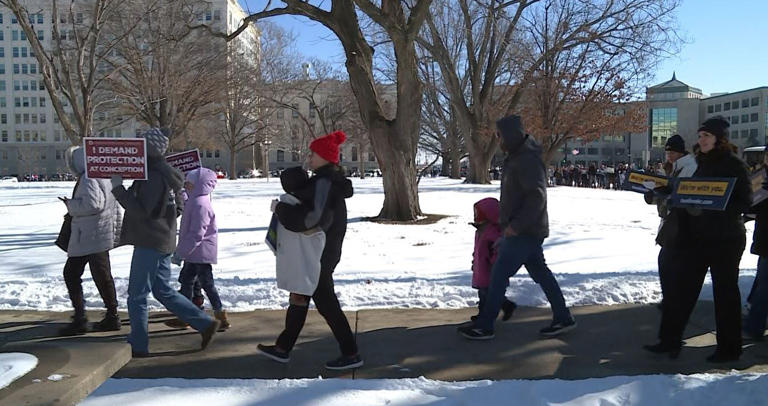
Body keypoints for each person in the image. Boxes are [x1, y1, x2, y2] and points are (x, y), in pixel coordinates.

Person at [458, 115, 575, 340]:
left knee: (498, 276)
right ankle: (563, 317)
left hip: (523, 232)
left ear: (509, 135)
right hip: (525, 231)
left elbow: (537, 198)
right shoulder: (518, 157)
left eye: (499, 135)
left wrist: (514, 227)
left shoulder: (527, 160)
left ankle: (485, 325)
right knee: (542, 275)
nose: (497, 139)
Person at [644, 116, 751, 362]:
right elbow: (688, 193)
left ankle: (729, 348)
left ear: (719, 139)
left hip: (727, 240)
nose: (701, 139)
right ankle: (668, 341)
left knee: (725, 294)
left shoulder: (734, 164)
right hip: (699, 238)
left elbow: (745, 202)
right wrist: (666, 193)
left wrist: (716, 206)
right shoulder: (700, 163)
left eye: (706, 136)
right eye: (700, 135)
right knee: (682, 289)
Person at [257, 130, 363, 370]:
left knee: (324, 302)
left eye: (314, 153)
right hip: (317, 248)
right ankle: (283, 348)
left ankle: (351, 353)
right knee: (299, 294)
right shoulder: (322, 181)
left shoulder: (325, 183)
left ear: (326, 156)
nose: (310, 157)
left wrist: (281, 211)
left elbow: (311, 219)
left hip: (320, 251)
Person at [111, 128, 219, 357]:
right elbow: (178, 207)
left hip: (150, 241)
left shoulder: (153, 176)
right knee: (162, 290)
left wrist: (119, 189)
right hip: (163, 239)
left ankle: (139, 345)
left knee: (137, 295)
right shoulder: (167, 173)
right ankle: (204, 323)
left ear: (148, 149)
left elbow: (143, 211)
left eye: (140, 145)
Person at [58, 146, 122, 336]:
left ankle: (82, 318)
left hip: (88, 234)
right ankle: (110, 315)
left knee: (72, 274)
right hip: (98, 233)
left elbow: (93, 204)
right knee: (101, 276)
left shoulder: (88, 177)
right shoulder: (104, 175)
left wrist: (70, 205)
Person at [165, 167, 230, 331]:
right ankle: (187, 315)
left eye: (189, 184)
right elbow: (188, 202)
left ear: (200, 185)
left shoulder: (201, 205)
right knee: (186, 282)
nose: (186, 186)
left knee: (207, 284)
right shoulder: (196, 201)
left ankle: (220, 316)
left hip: (200, 253)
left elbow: (196, 234)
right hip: (193, 253)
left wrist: (181, 253)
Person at [644, 134, 697, 309]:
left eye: (672, 151)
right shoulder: (672, 168)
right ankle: (672, 299)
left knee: (669, 262)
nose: (669, 155)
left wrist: (666, 192)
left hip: (681, 223)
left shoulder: (689, 167)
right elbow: (666, 194)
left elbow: (684, 194)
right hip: (670, 221)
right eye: (667, 152)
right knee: (668, 263)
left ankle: (674, 300)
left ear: (681, 152)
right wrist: (653, 195)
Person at [469, 197, 517, 322]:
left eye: (478, 213)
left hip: (489, 269)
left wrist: (494, 264)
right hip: (481, 267)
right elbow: (478, 249)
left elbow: (497, 250)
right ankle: (483, 313)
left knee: (490, 293)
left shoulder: (493, 232)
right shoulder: (480, 229)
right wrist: (475, 261)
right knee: (483, 293)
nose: (476, 216)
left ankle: (505, 307)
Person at [744, 149, 768, 341]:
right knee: (763, 283)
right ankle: (754, 325)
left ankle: (755, 323)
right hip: (766, 240)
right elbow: (749, 206)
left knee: (763, 284)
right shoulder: (760, 178)